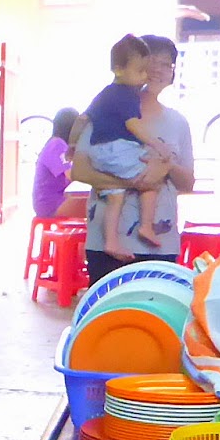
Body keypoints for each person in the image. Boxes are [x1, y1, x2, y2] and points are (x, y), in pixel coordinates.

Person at [70, 33, 195, 283]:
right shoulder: (105, 110)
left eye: (167, 65)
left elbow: (188, 183)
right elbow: (79, 171)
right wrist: (134, 182)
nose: (158, 70)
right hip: (106, 245)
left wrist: (166, 165)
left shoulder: (178, 122)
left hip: (160, 245)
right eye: (153, 62)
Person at [32, 106, 81, 219]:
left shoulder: (57, 144)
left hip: (53, 201)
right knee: (97, 207)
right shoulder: (57, 145)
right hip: (51, 204)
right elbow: (72, 175)